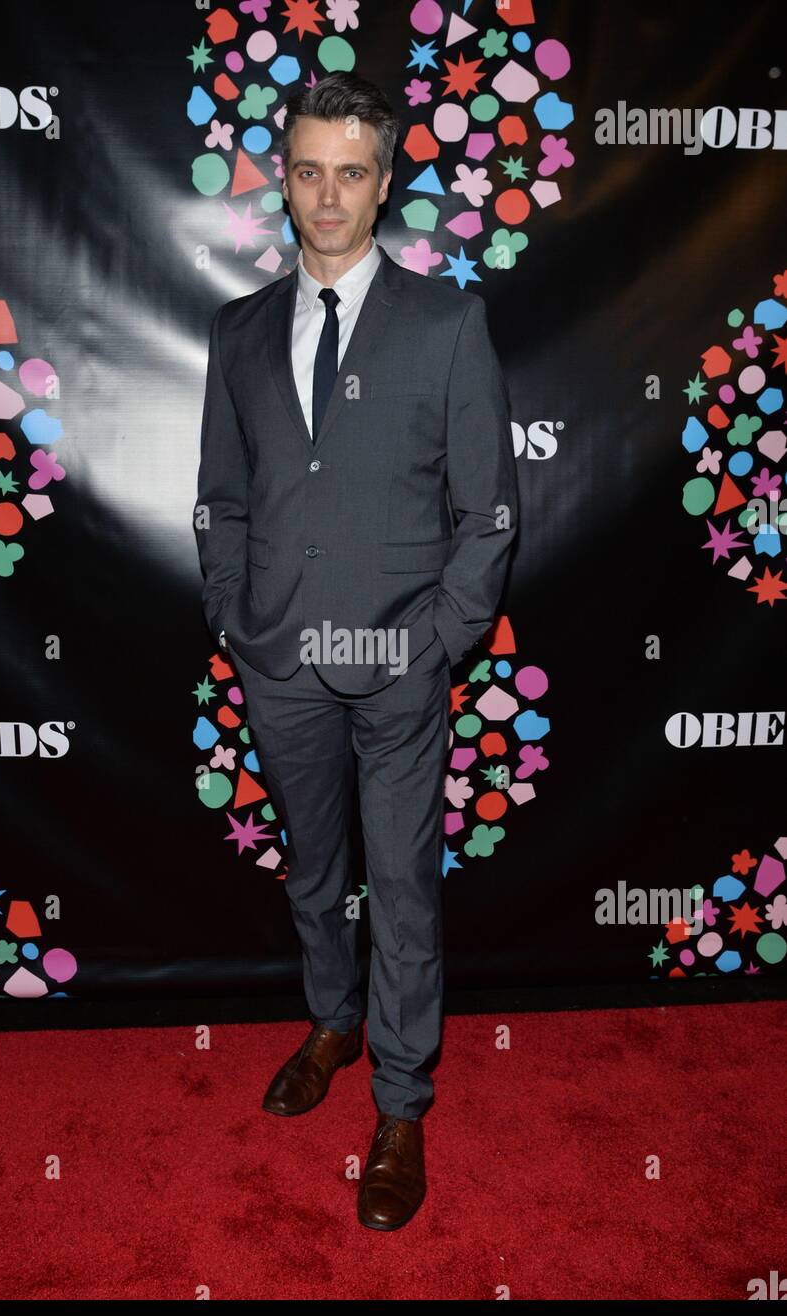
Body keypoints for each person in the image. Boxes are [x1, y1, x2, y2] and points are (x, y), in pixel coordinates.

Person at [195, 71, 519, 1230]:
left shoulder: (444, 324)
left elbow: (487, 514)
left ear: (385, 186)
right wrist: (234, 614)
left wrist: (435, 641)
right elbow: (221, 499)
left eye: (351, 172)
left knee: (404, 887)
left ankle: (398, 1096)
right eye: (306, 170)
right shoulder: (235, 331)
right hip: (276, 659)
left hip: (398, 668)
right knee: (316, 875)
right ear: (282, 181)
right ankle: (330, 1021)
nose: (326, 196)